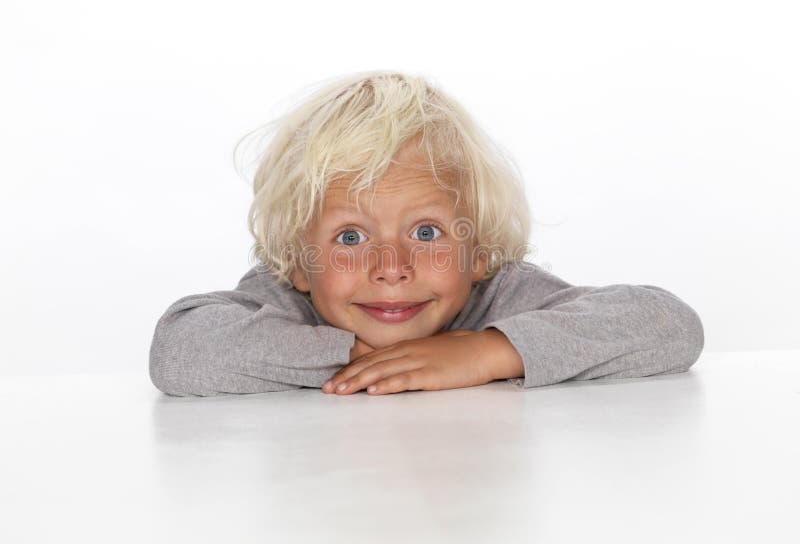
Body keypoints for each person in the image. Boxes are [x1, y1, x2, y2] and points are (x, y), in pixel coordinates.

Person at [148, 70, 704, 397]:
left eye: (427, 230)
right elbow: (178, 350)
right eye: (349, 238)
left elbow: (669, 324)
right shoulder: (288, 300)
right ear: (296, 262)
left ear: (479, 252)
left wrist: (490, 352)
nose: (391, 267)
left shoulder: (499, 297)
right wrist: (343, 353)